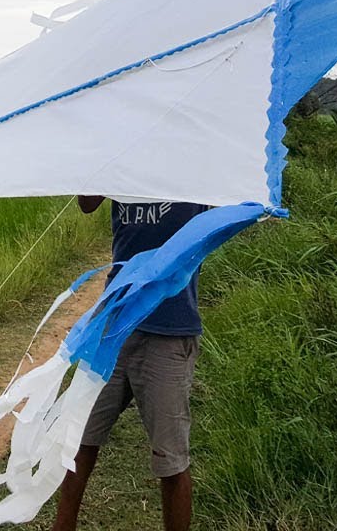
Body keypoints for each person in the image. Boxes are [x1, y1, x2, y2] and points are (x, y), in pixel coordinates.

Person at [51, 195, 211, 531]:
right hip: (114, 327)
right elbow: (87, 202)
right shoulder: (126, 154)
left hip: (170, 329)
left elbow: (232, 190)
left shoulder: (195, 154)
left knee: (171, 460)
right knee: (80, 441)